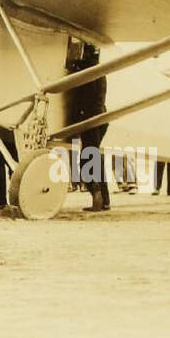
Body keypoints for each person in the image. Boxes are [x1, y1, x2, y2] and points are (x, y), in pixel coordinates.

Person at [67, 43, 109, 212]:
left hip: (90, 119)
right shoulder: (100, 71)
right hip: (100, 117)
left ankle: (97, 198)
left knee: (87, 160)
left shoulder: (87, 73)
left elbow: (83, 98)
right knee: (94, 157)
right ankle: (104, 199)